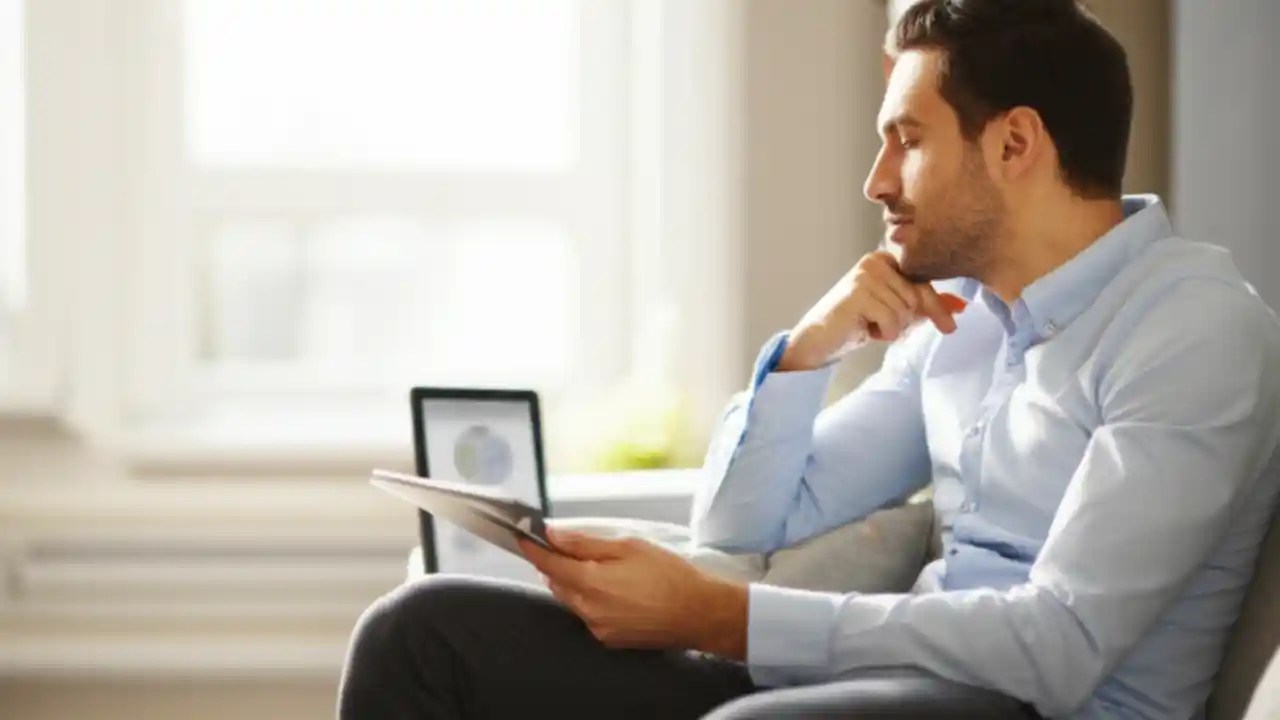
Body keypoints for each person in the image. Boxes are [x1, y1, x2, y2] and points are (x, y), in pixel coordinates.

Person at [337, 0, 1280, 717]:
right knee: (424, 636)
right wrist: (809, 351)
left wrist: (717, 619)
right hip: (887, 679)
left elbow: (1062, 640)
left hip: (1040, 704)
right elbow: (745, 521)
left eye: (906, 141)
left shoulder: (1193, 330)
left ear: (1015, 143)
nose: (875, 183)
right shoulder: (966, 322)